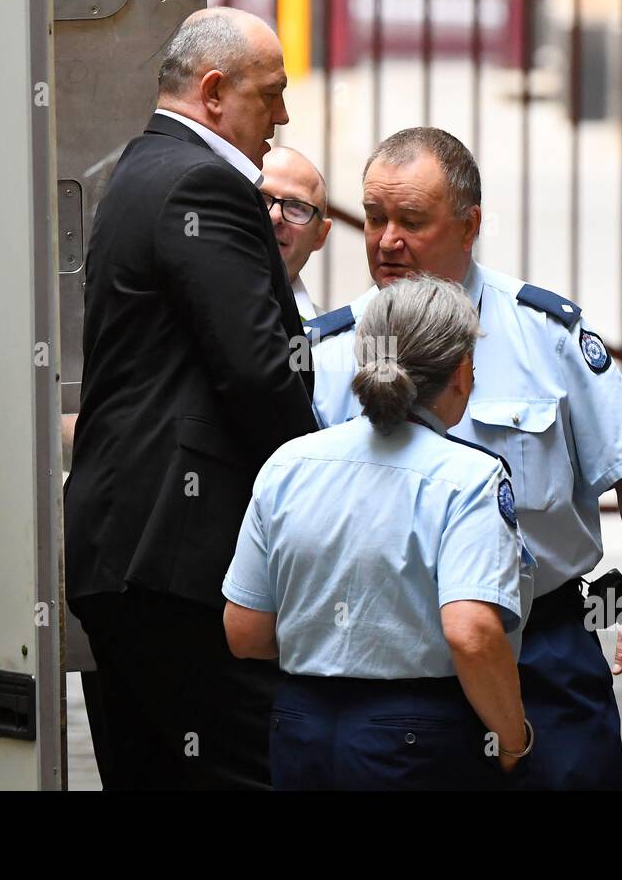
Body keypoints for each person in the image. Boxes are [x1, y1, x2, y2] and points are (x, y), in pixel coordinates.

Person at [306, 127, 622, 790]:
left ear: (469, 224)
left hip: (541, 648)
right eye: (373, 217)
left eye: (411, 221)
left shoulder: (544, 335)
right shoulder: (331, 352)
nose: (386, 241)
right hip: (394, 661)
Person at [63, 7, 319, 790]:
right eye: (270, 94)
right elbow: (257, 371)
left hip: (126, 551)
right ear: (214, 91)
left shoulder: (142, 169)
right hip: (175, 556)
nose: (281, 115)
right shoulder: (203, 181)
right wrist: (325, 478)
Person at [223, 275, 535, 790]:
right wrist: (512, 740)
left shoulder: (288, 464)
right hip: (419, 736)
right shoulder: (469, 479)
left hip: (301, 729)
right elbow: (471, 633)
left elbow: (245, 632)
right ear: (460, 373)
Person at [259, 145, 332, 321]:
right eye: (260, 197)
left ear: (320, 235)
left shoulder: (337, 343)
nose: (275, 216)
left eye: (296, 207)